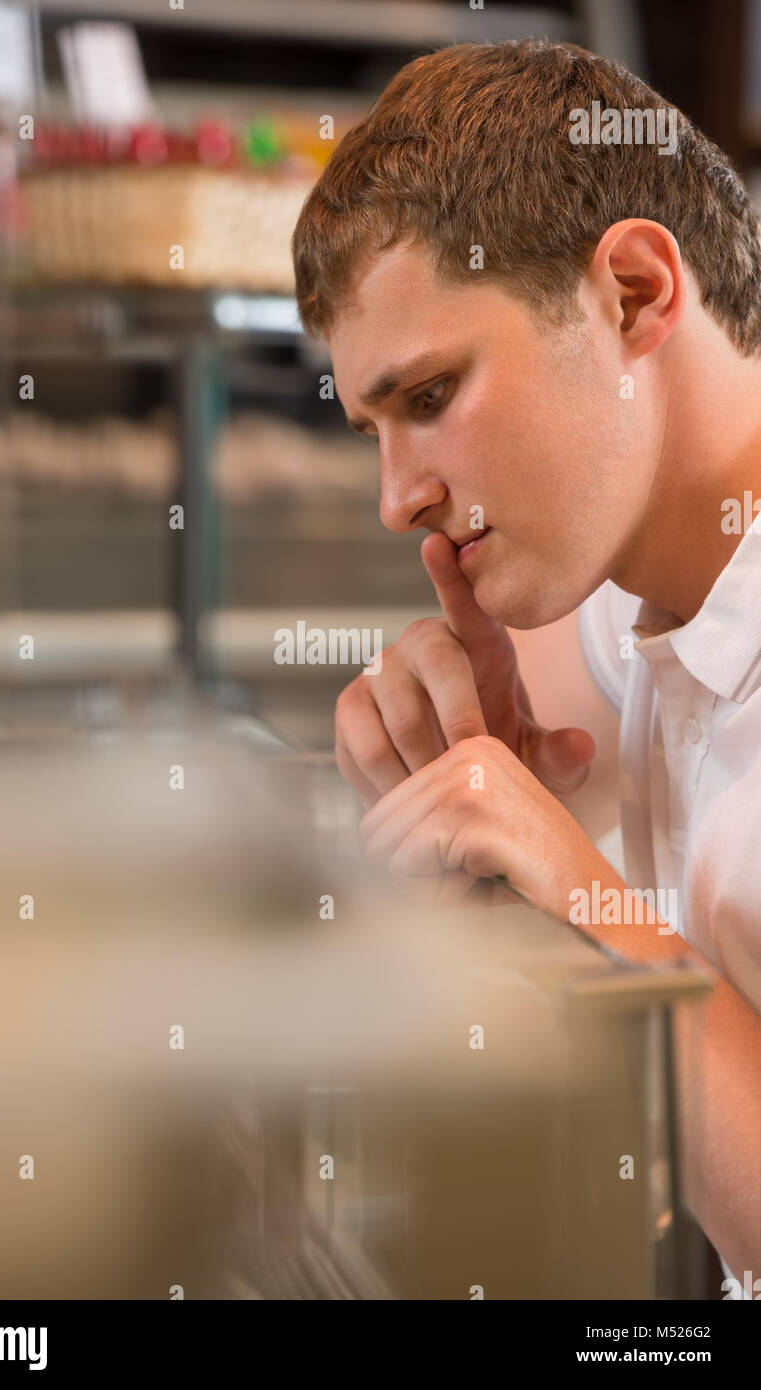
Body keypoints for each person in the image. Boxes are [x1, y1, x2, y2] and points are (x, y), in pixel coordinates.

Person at [291, 38, 761, 1292]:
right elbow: (535, 774)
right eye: (372, 429)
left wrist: (575, 882)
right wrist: (474, 776)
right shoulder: (634, 593)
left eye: (432, 393)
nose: (400, 500)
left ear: (633, 295)